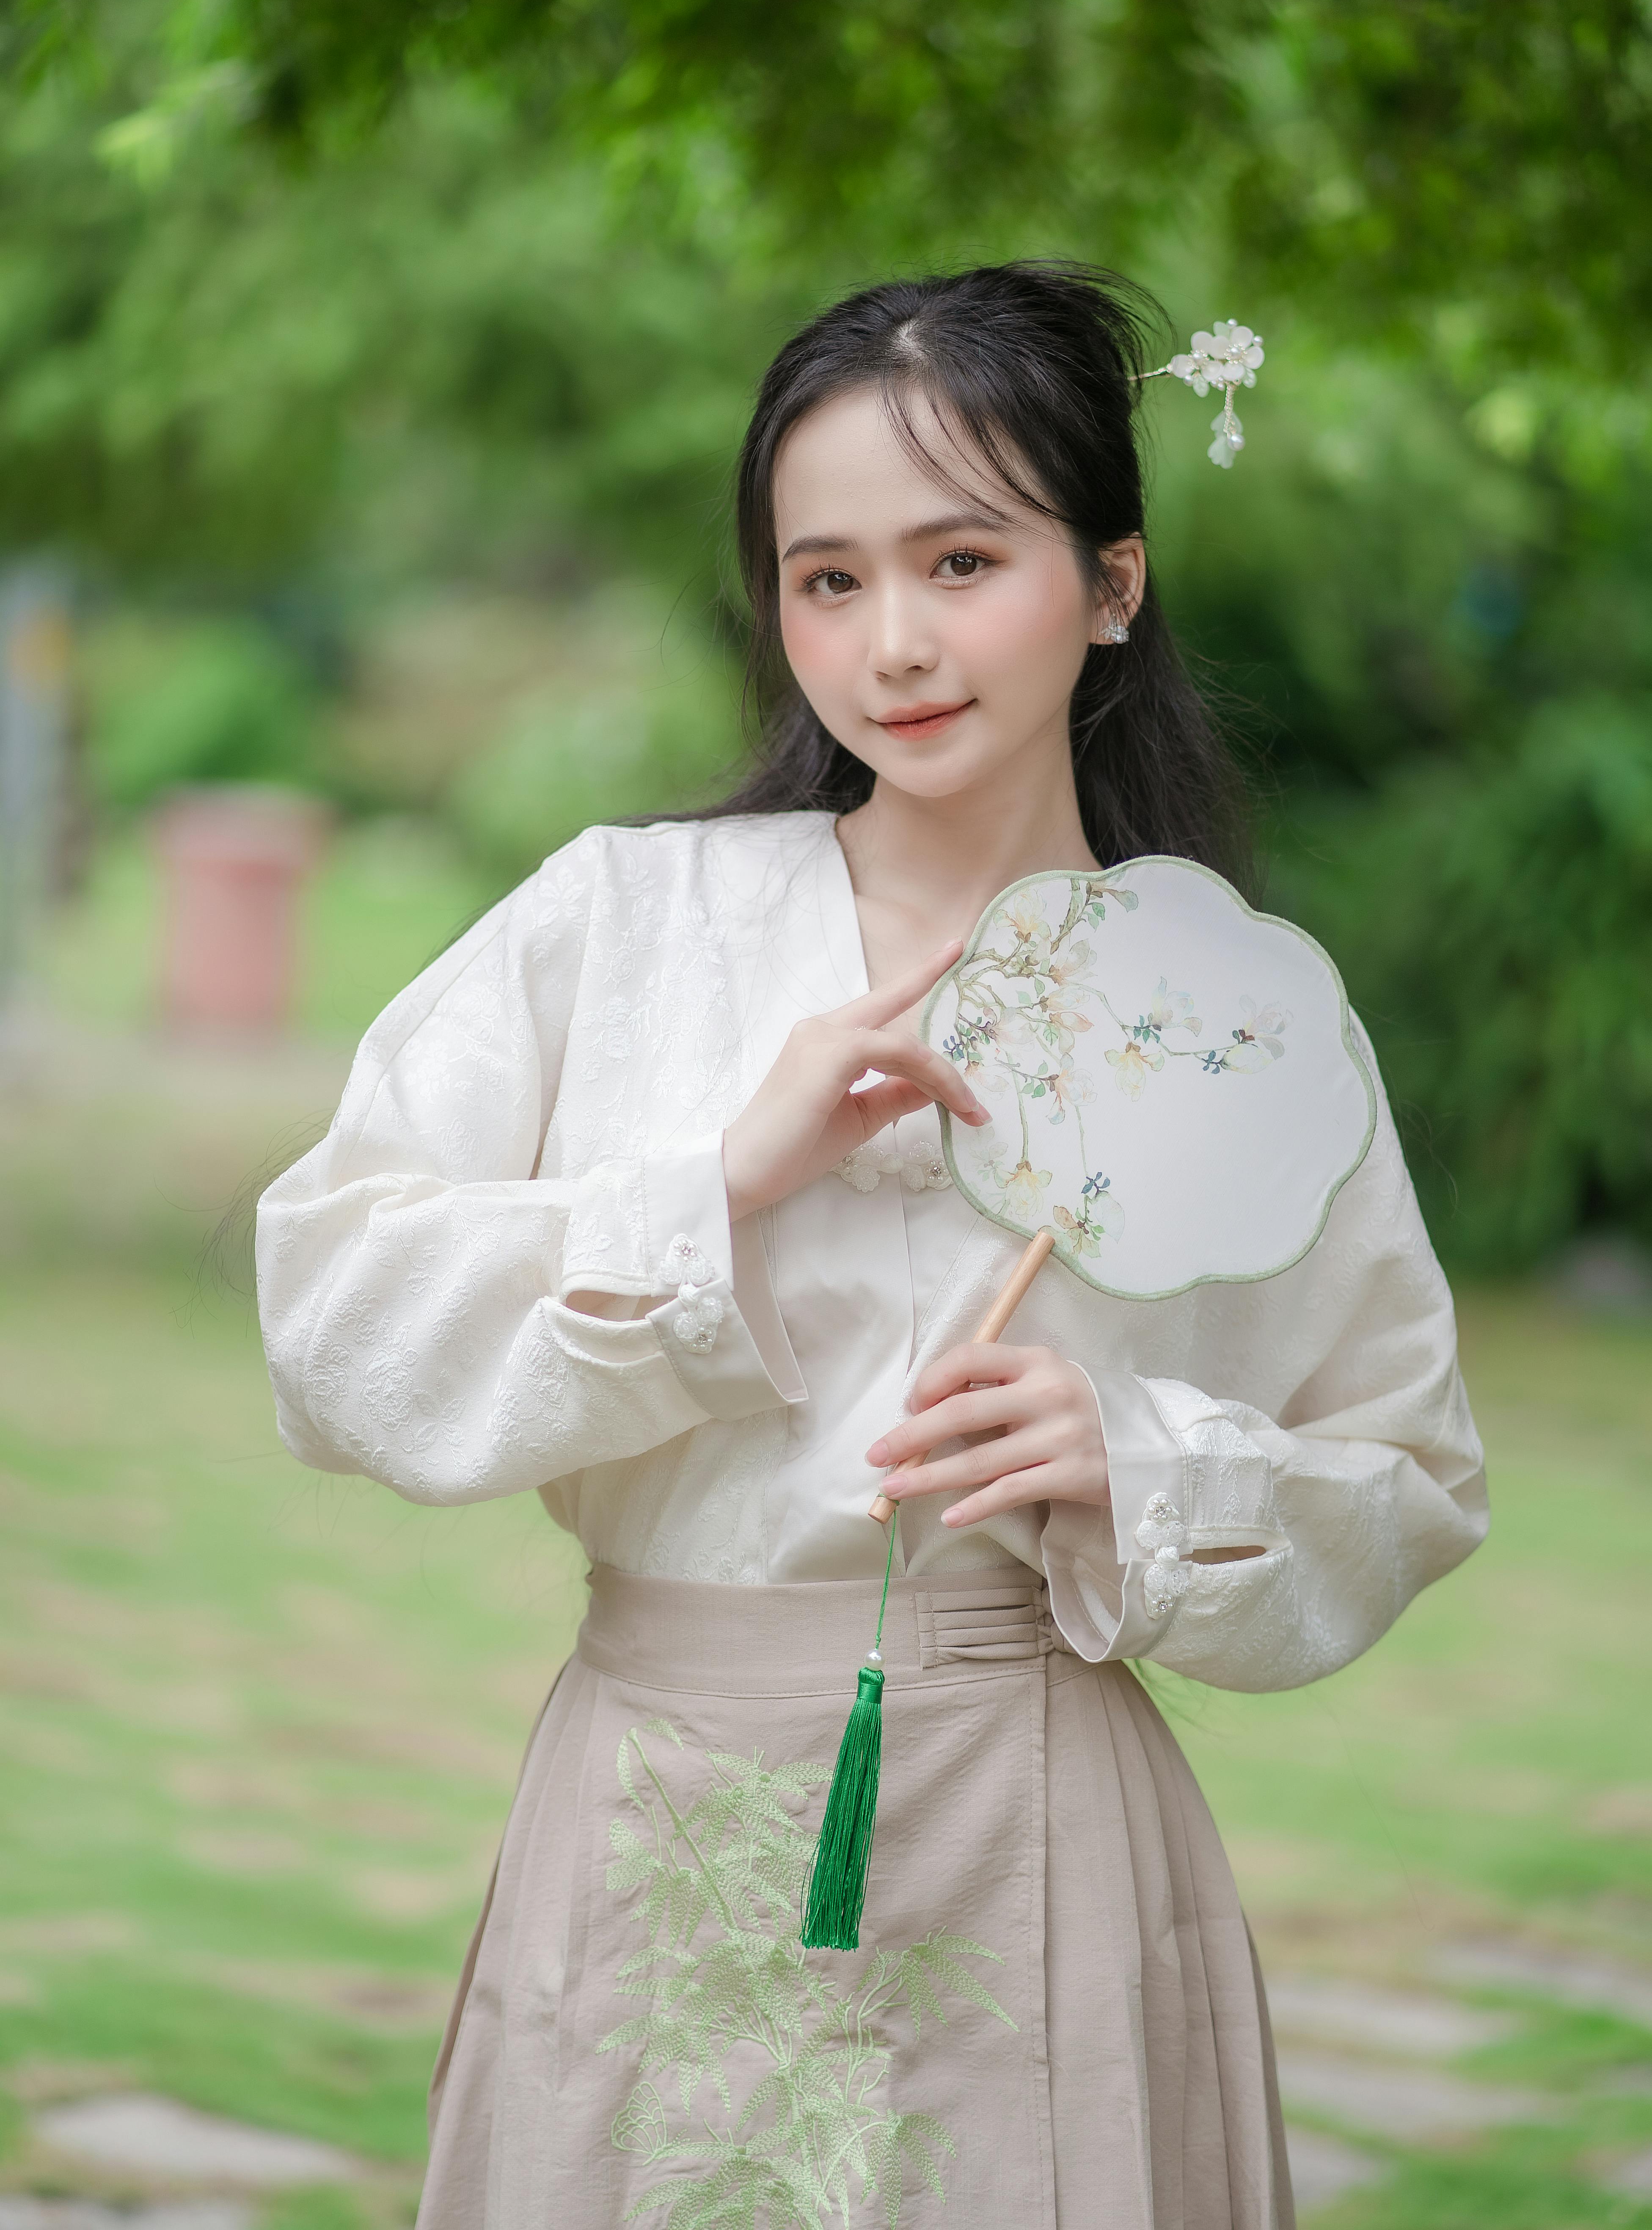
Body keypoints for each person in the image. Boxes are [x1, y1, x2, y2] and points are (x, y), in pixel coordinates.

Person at [257, 263, 1488, 2230]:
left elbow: (1409, 1471)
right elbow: (332, 1324)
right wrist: (711, 1191)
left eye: (962, 560)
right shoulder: (626, 927)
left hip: (1048, 1840)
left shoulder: (1238, 1025)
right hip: (661, 1820)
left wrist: (1138, 1464)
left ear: (1111, 583)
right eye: (826, 580)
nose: (893, 642)